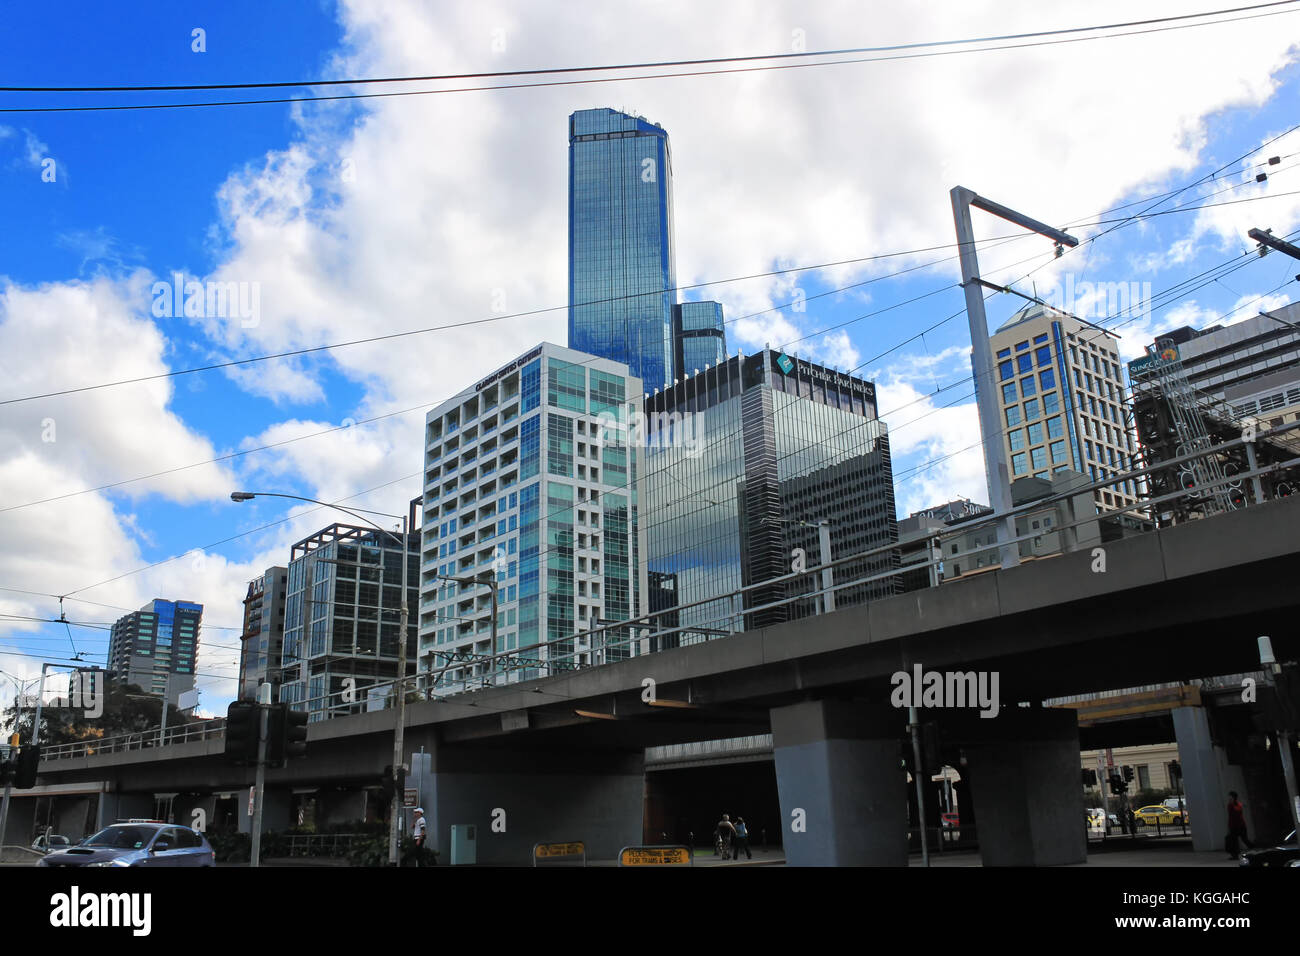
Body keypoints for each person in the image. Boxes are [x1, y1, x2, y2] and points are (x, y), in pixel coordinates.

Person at [1225, 792, 1253, 859]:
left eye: (1230, 797)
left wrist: (1232, 804)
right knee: (1234, 841)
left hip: (1241, 825)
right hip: (1234, 826)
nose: (1229, 798)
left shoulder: (1238, 805)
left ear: (1234, 797)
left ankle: (1254, 848)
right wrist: (1229, 826)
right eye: (1229, 797)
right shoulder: (1229, 805)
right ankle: (1235, 856)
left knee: (1244, 839)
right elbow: (1231, 817)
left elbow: (1237, 811)